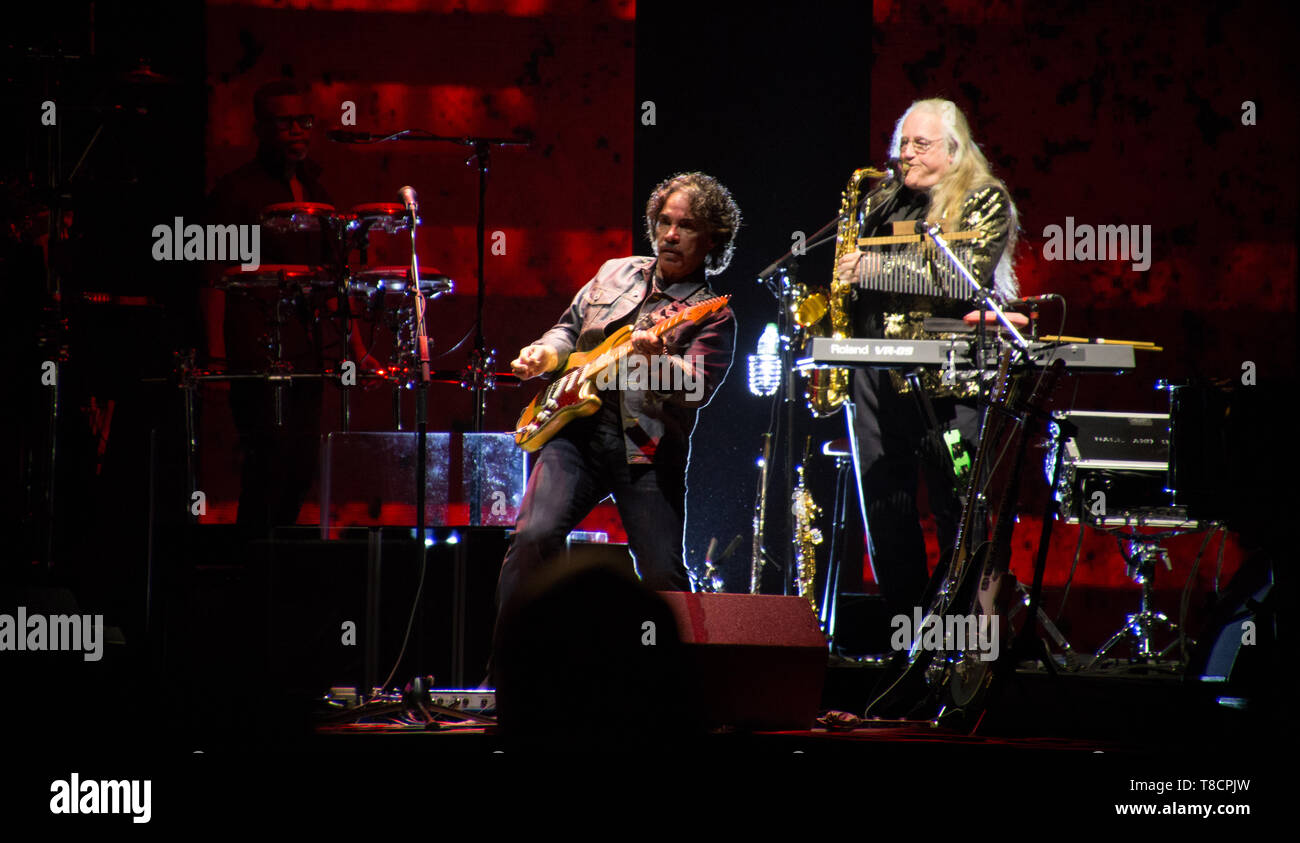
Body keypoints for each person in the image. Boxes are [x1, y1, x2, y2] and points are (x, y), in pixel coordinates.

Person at [494, 172, 741, 640]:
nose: (670, 234)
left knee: (663, 575)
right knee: (531, 539)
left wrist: (658, 359)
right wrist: (545, 353)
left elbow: (696, 389)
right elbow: (569, 330)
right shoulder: (615, 271)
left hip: (645, 449)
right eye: (664, 222)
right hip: (575, 434)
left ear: (712, 239)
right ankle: (507, 675)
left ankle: (680, 692)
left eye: (686, 226)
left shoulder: (714, 313)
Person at [834, 98, 1019, 619]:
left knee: (957, 504)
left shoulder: (982, 198)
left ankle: (959, 626)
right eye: (902, 144)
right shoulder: (885, 199)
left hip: (950, 375)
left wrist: (872, 269)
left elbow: (960, 278)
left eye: (921, 144)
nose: (905, 155)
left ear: (954, 149)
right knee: (884, 502)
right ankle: (905, 626)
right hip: (874, 371)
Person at [202, 79, 367, 532]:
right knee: (266, 461)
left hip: (306, 351)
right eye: (285, 122)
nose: (296, 131)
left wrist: (357, 349)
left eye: (304, 122)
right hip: (254, 351)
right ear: (261, 128)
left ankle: (275, 568)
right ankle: (251, 567)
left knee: (299, 464)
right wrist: (217, 358)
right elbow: (215, 279)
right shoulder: (236, 192)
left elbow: (336, 282)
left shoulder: (317, 193)